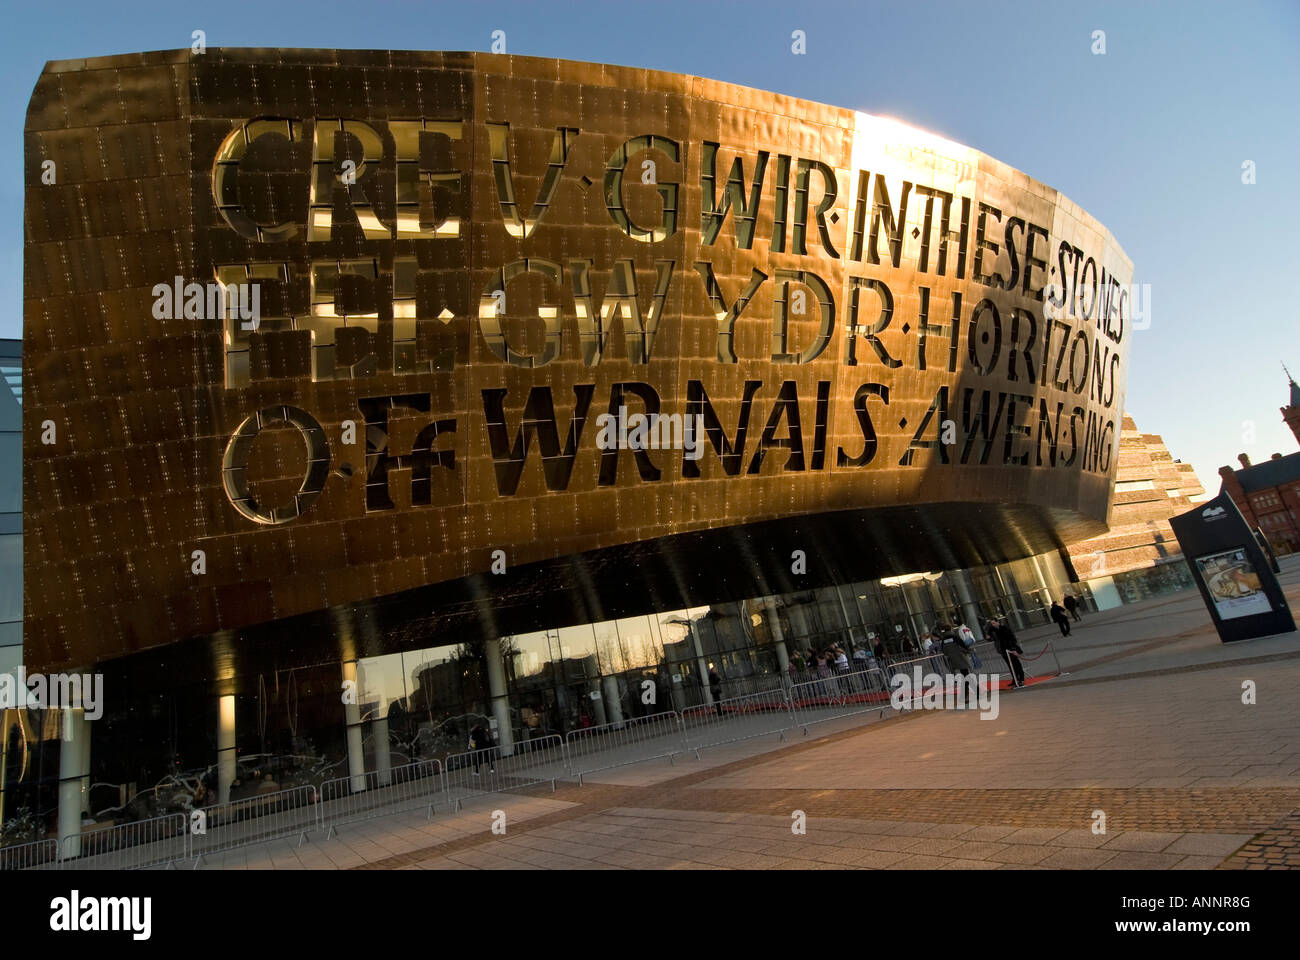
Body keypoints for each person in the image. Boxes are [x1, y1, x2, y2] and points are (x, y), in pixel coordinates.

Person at [992, 618, 1026, 687]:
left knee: (1016, 664)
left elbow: (1012, 639)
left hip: (1010, 649)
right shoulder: (994, 631)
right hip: (1003, 651)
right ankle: (1015, 679)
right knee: (1010, 666)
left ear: (998, 622)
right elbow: (995, 640)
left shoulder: (1005, 628)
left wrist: (1013, 649)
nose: (993, 625)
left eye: (994, 623)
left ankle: (1021, 679)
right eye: (992, 624)